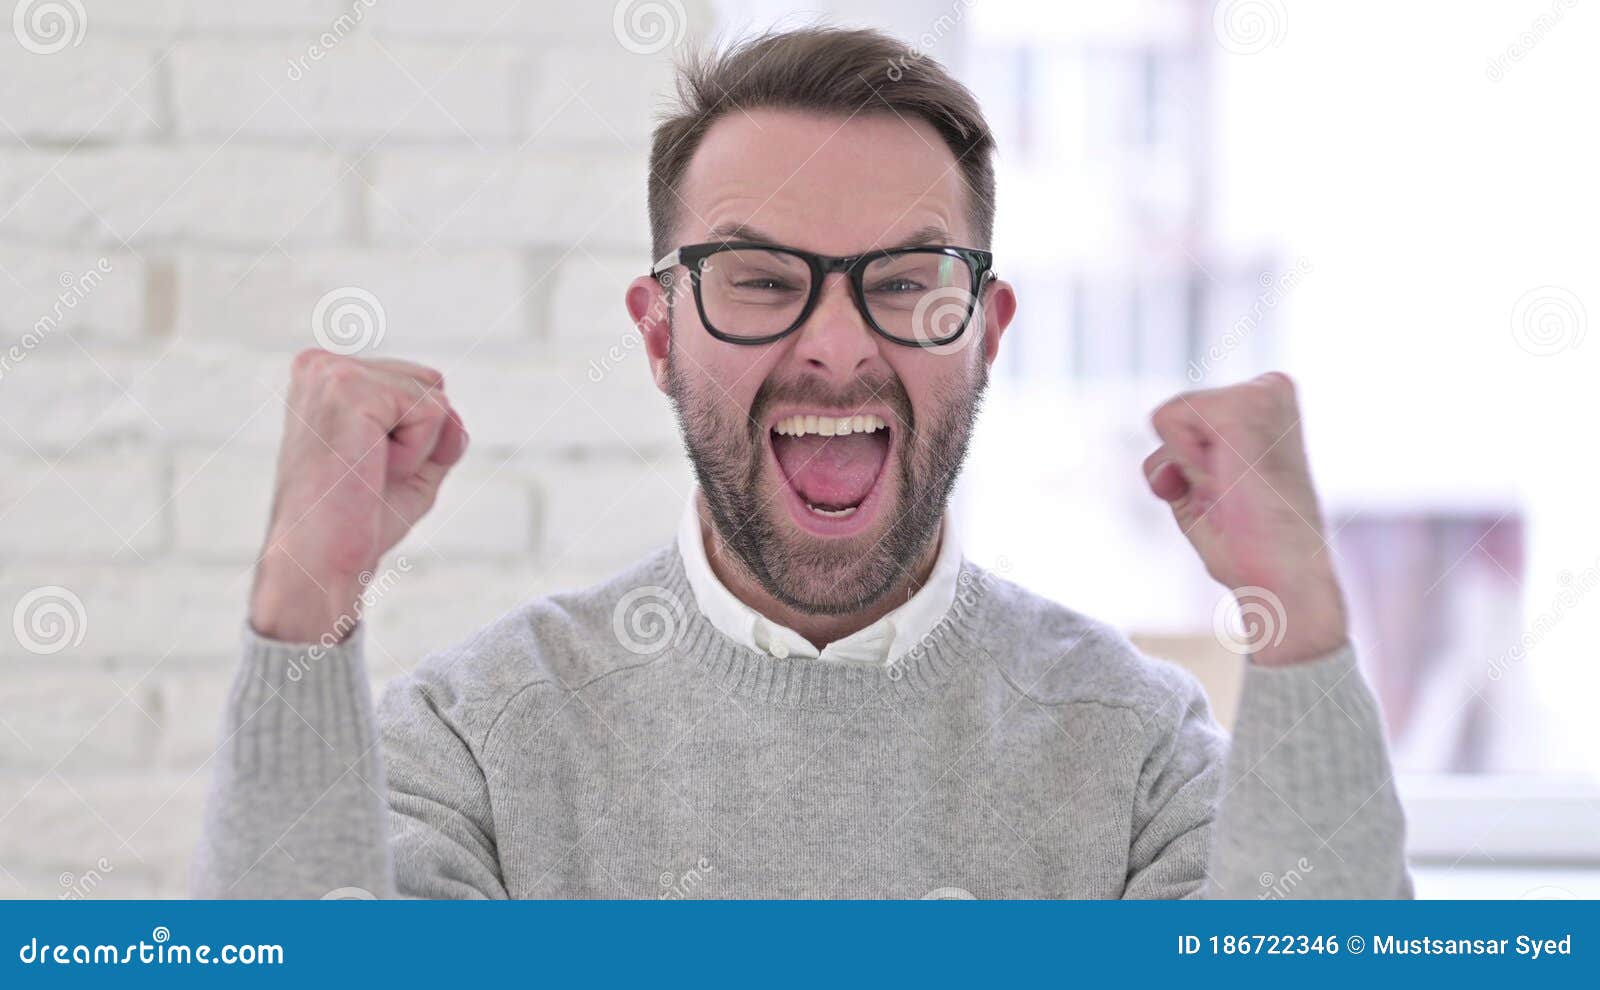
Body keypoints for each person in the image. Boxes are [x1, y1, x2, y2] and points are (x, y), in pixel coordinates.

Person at [193, 26, 1408, 899]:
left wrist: (1302, 628)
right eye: (762, 281)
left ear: (983, 334)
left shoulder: (1129, 746)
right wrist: (300, 608)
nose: (836, 347)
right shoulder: (480, 741)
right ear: (658, 332)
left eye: (902, 282)